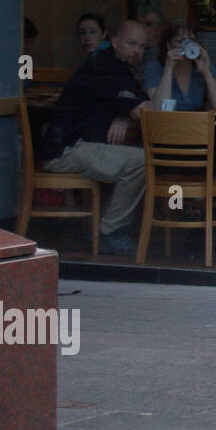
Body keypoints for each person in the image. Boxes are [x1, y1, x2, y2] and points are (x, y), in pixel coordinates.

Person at [41, 20, 174, 254]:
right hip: (67, 151)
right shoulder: (108, 67)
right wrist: (130, 112)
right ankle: (110, 232)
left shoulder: (114, 66)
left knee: (135, 158)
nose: (138, 51)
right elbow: (149, 111)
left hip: (76, 146)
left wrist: (124, 116)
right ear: (115, 42)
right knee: (143, 161)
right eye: (132, 44)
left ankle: (104, 228)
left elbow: (139, 107)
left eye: (143, 46)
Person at [142, 20, 216, 114]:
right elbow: (159, 109)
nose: (188, 45)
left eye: (192, 40)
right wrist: (168, 69)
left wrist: (206, 72)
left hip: (195, 125)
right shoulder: (155, 67)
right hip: (167, 124)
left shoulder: (203, 67)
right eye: (180, 41)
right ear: (168, 45)